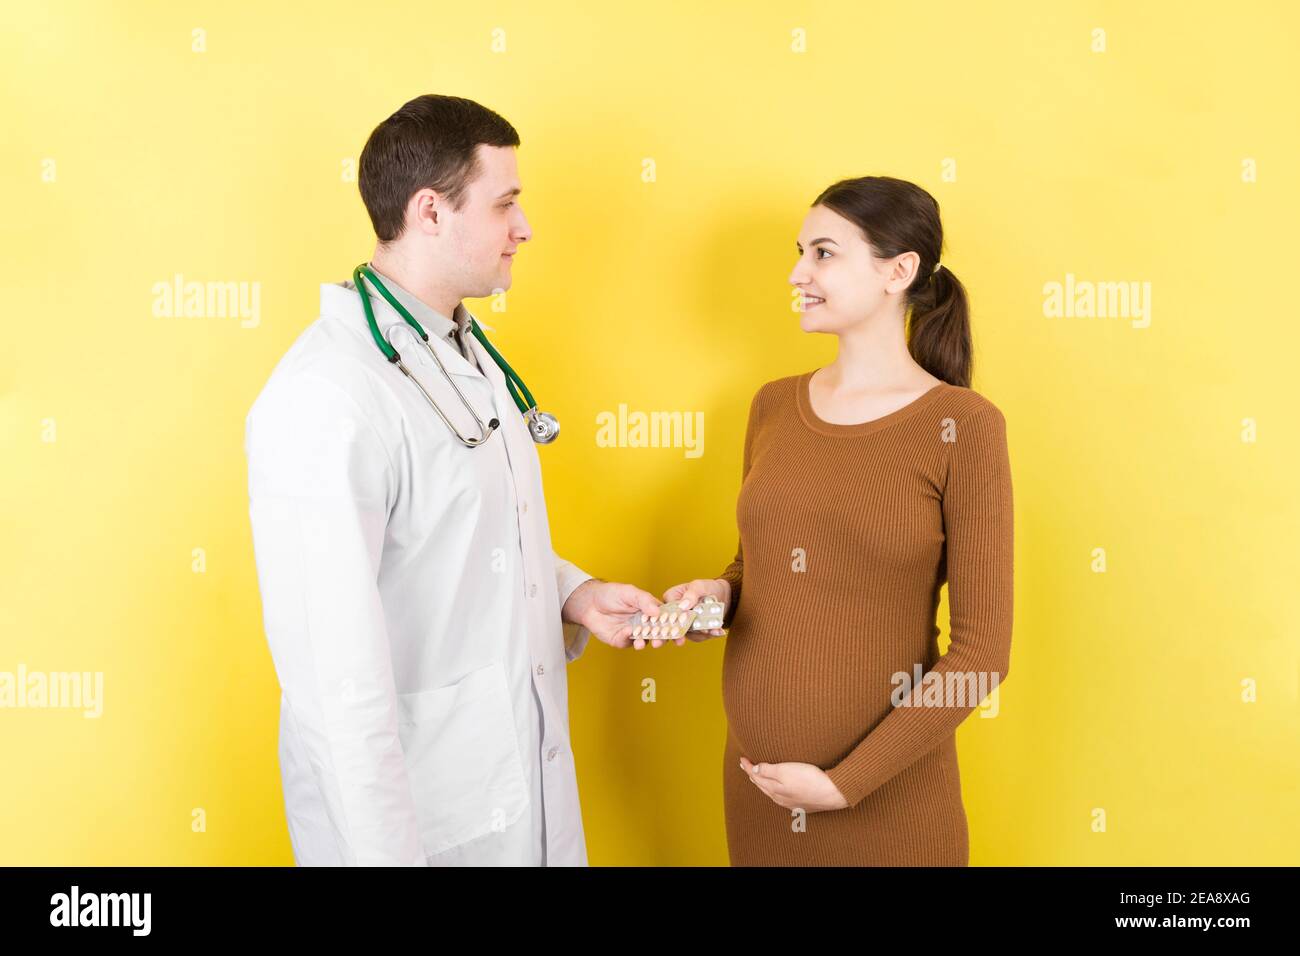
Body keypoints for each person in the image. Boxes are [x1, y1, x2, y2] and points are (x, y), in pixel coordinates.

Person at [244, 94, 661, 866]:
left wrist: (572, 592)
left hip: (510, 791)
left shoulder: (461, 354)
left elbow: (459, 537)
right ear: (431, 212)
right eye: (506, 203)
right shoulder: (329, 394)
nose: (525, 227)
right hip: (420, 827)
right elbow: (334, 683)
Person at [659, 176, 1014, 865]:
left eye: (823, 253)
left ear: (898, 270)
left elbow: (982, 655)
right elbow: (756, 568)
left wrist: (844, 785)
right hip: (761, 793)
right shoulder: (772, 406)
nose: (797, 274)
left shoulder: (963, 427)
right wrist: (718, 596)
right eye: (800, 252)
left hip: (889, 807)